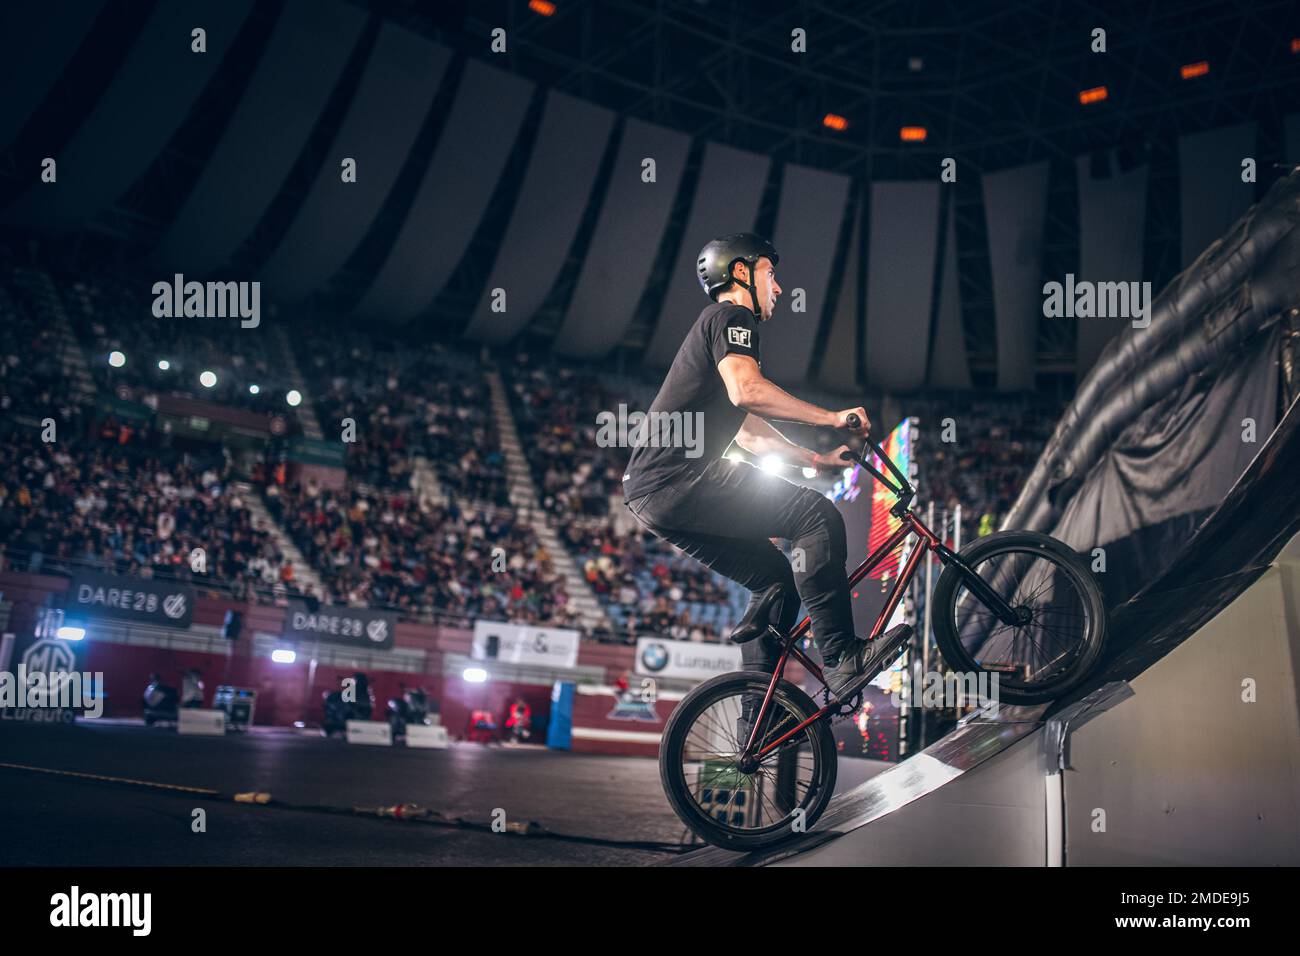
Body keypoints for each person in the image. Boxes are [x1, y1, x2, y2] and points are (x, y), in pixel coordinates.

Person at [621, 233, 884, 697]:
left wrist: (816, 457)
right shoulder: (730, 316)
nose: (779, 287)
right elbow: (749, 391)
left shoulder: (715, 332)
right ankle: (843, 658)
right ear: (741, 272)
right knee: (816, 517)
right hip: (681, 480)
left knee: (776, 580)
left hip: (652, 496)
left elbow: (748, 430)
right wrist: (832, 418)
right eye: (770, 273)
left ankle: (754, 727)